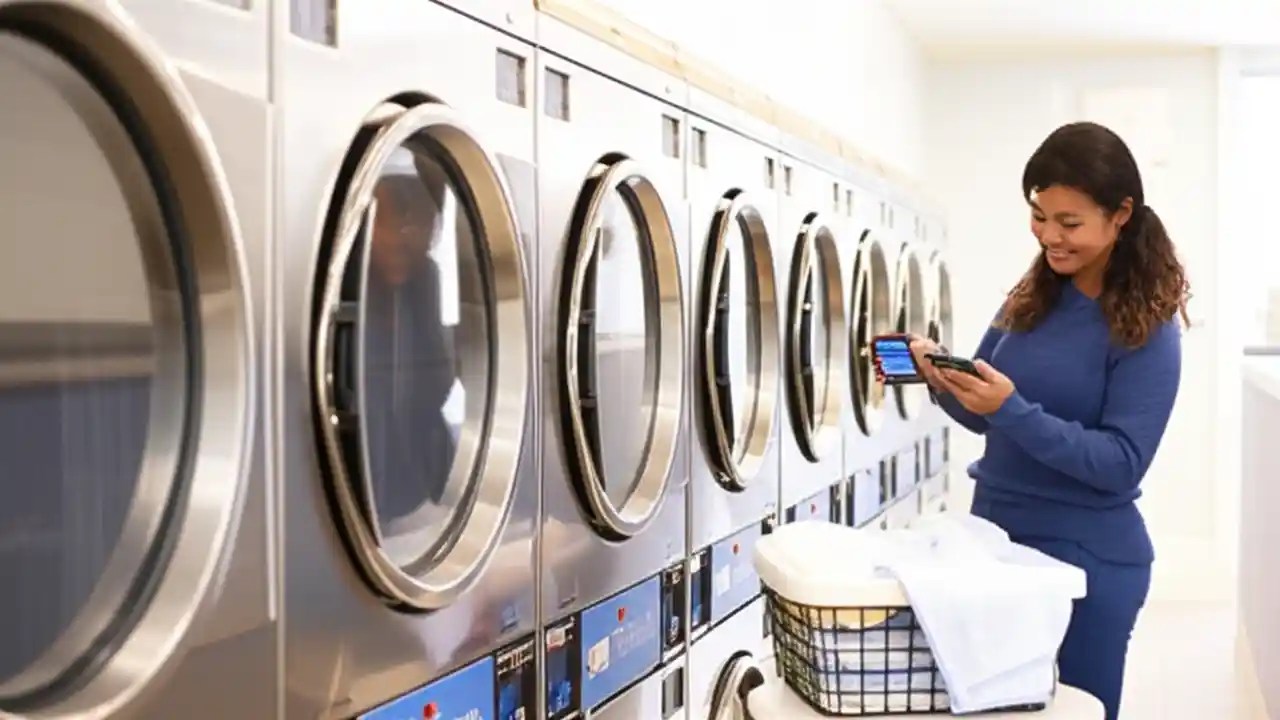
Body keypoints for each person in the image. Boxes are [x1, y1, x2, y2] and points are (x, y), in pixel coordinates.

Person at [907, 121, 1189, 720]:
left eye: (1069, 223)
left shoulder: (1148, 328)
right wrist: (941, 379)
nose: (1049, 237)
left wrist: (1009, 406)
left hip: (1086, 564)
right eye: (1039, 215)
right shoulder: (1030, 297)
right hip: (996, 547)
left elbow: (1120, 463)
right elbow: (987, 417)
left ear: (1120, 215)